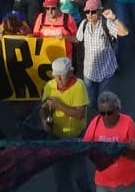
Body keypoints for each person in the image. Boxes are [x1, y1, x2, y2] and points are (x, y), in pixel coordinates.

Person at [41, 56, 91, 192]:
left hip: (75, 137)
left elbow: (79, 114)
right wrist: (45, 121)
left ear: (70, 73)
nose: (58, 80)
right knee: (61, 179)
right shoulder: (49, 86)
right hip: (56, 138)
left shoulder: (79, 86)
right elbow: (44, 108)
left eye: (61, 77)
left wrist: (58, 105)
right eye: (56, 77)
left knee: (80, 176)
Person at [83, 90, 135, 192]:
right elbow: (86, 148)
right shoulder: (95, 122)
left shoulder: (128, 122)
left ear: (117, 109)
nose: (105, 117)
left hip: (125, 183)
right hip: (103, 182)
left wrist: (120, 151)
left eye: (109, 113)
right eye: (102, 113)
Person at [76, 0, 128, 110]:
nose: (90, 14)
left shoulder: (107, 24)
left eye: (93, 11)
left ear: (100, 11)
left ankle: (104, 118)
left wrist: (114, 18)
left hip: (106, 72)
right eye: (87, 12)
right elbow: (78, 39)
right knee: (90, 102)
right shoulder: (84, 24)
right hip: (89, 73)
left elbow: (124, 32)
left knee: (103, 101)